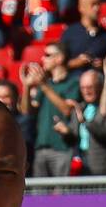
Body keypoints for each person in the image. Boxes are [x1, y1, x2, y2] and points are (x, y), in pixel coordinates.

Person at [20, 44, 81, 177]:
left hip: (62, 148)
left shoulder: (73, 83)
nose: (43, 58)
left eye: (47, 55)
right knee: (39, 196)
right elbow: (27, 111)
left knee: (62, 194)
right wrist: (27, 87)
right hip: (41, 147)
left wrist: (43, 85)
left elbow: (66, 110)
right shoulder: (47, 85)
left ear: (59, 58)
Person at [63, 0, 106, 72]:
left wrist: (104, 65)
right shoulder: (70, 33)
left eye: (98, 4)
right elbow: (59, 64)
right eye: (93, 4)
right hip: (74, 81)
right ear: (81, 8)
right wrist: (76, 62)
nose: (97, 8)